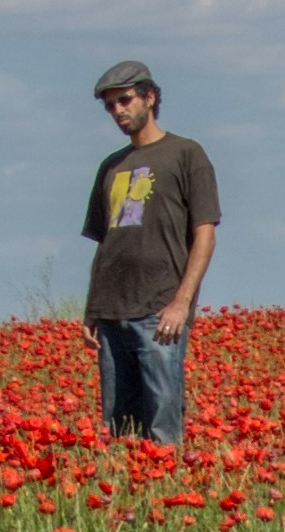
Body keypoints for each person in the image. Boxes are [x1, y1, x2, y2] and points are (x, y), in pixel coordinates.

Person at [82, 60, 220, 449]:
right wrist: (92, 309)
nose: (118, 111)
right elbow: (104, 242)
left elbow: (204, 235)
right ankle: (128, 504)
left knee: (162, 423)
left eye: (124, 100)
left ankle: (166, 500)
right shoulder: (110, 165)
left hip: (158, 311)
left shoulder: (186, 154)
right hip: (111, 312)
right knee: (119, 428)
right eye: (110, 106)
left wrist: (181, 302)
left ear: (150, 97)